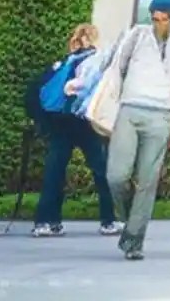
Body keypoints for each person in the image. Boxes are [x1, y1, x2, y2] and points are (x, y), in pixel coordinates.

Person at [106, 0, 170, 260]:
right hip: (130, 108)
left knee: (148, 180)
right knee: (116, 175)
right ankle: (130, 219)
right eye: (155, 18)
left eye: (164, 19)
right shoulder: (137, 35)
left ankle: (134, 240)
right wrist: (113, 105)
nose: (159, 23)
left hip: (162, 114)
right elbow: (116, 68)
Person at [31, 25, 122, 237]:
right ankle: (108, 220)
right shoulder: (95, 60)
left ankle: (47, 222)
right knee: (100, 170)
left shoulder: (64, 62)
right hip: (82, 121)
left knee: (55, 170)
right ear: (94, 38)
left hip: (60, 121)